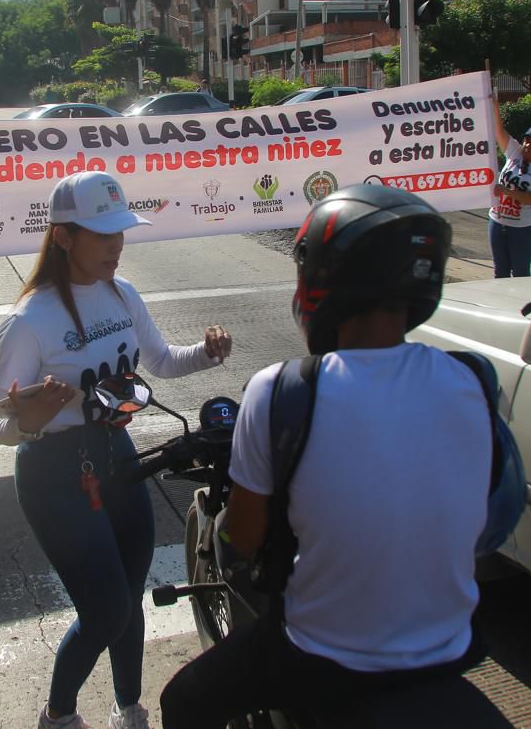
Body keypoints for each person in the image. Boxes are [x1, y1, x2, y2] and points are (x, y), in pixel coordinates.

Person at [160, 184, 492, 728]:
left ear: (321, 279)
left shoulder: (286, 390)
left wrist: (223, 526)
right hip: (450, 647)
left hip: (323, 655)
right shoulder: (474, 380)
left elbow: (243, 537)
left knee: (185, 703)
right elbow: (493, 518)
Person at [0, 170, 232, 729]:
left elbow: (164, 361)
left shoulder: (123, 293)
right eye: (103, 234)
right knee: (105, 612)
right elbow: (0, 427)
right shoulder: (29, 321)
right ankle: (60, 714)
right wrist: (30, 421)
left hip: (117, 457)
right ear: (65, 236)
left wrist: (209, 351)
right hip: (54, 473)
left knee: (129, 596)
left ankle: (130, 708)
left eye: (121, 231)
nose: (117, 245)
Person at [488, 95, 531, 278]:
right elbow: (498, 131)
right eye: (526, 141)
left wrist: (508, 192)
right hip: (497, 220)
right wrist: (494, 107)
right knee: (500, 270)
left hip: (522, 227)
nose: (528, 146)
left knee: (520, 272)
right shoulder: (514, 152)